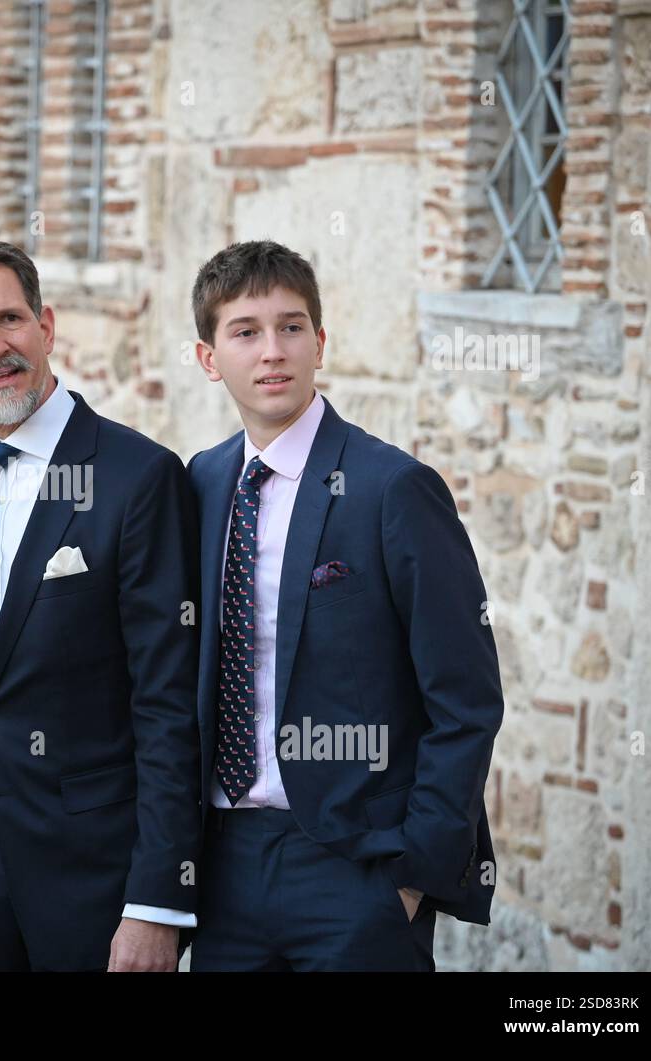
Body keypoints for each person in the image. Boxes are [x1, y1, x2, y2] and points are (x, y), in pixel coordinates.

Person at [184, 240, 503, 971]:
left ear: (320, 343)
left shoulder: (394, 488)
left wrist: (415, 877)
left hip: (354, 869)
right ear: (209, 359)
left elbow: (467, 699)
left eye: (292, 327)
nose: (273, 351)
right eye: (246, 331)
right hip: (224, 867)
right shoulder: (200, 484)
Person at [0, 241, 202, 972]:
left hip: (93, 878)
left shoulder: (138, 477)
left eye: (10, 318)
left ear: (46, 325)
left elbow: (169, 701)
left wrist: (156, 900)